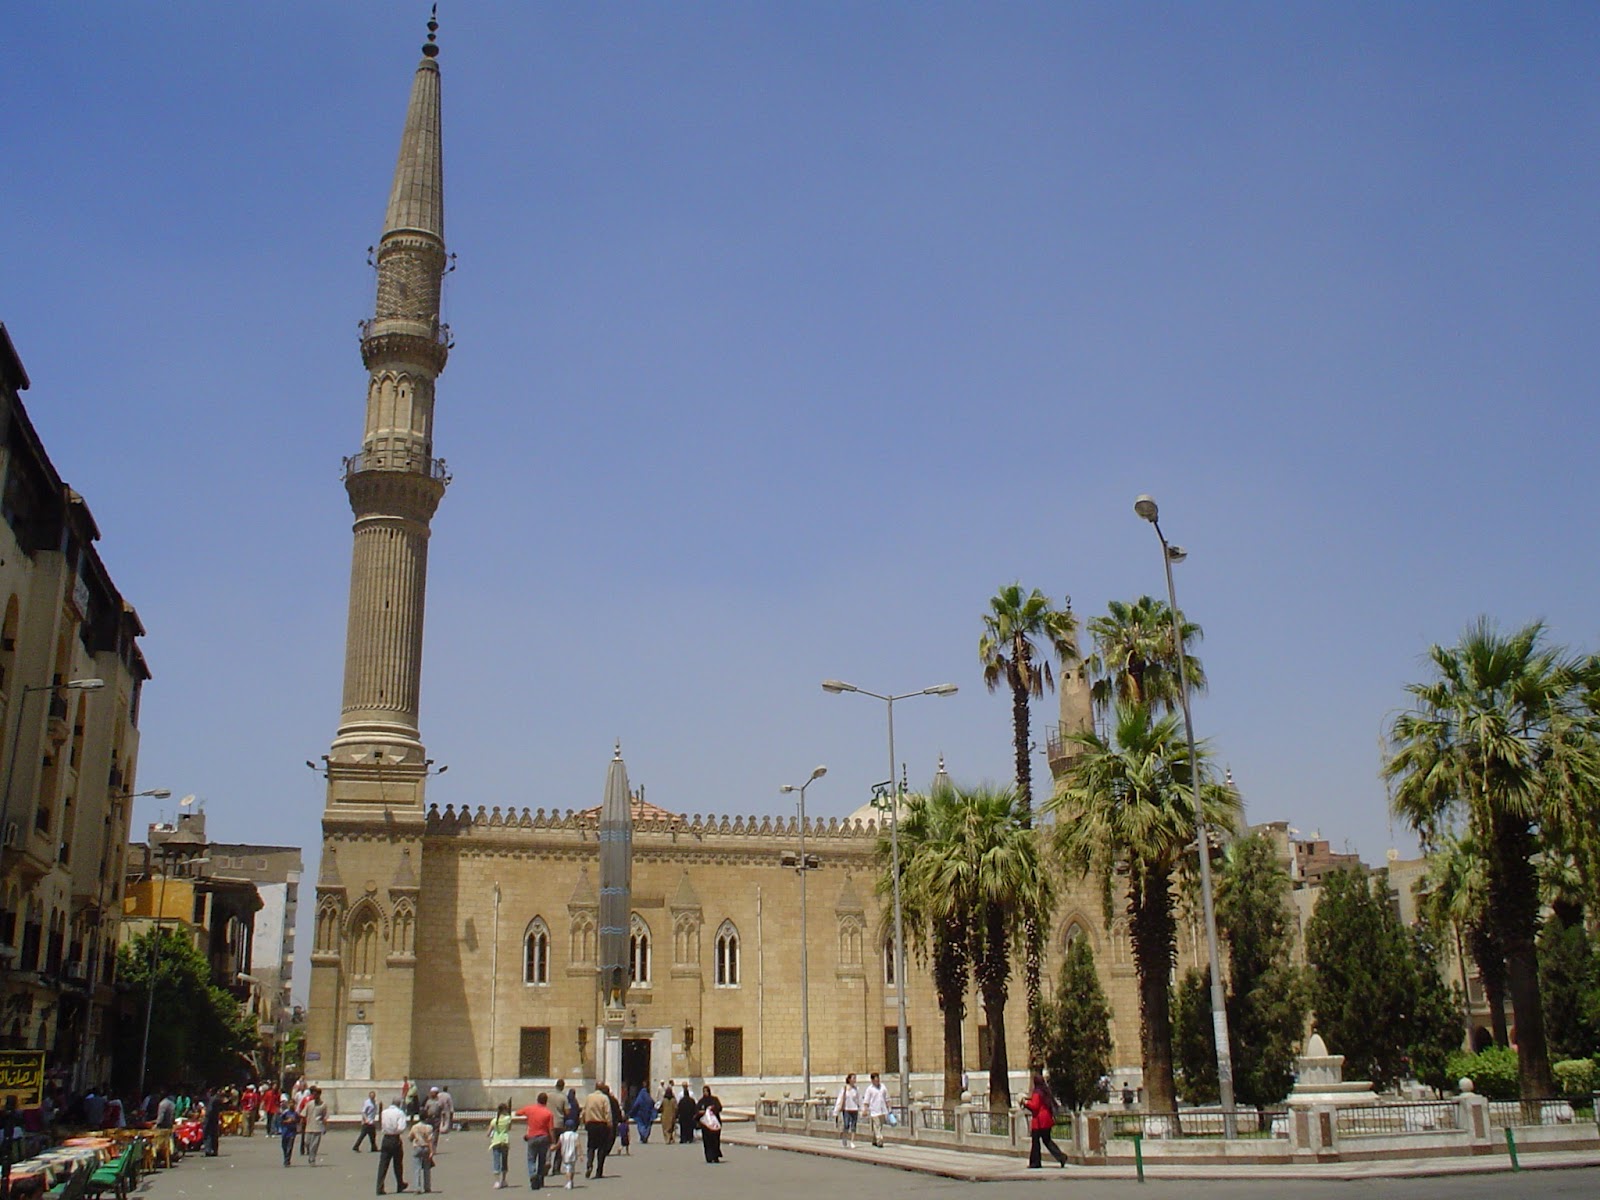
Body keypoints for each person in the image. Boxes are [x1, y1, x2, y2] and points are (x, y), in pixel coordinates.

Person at [1022, 1073, 1068, 1169]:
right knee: (1047, 1140)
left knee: (1035, 1142)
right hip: (1046, 1119)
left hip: (1039, 1121)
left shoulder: (1037, 1093)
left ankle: (1035, 1162)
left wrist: (1025, 1103)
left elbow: (1035, 1106)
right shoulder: (1045, 1091)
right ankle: (1061, 1157)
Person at [516, 1091, 557, 1190]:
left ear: (537, 1100)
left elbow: (517, 1113)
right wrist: (553, 1141)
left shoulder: (530, 1109)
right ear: (546, 1102)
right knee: (542, 1159)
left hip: (532, 1136)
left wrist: (528, 1117)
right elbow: (551, 1129)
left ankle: (532, 1174)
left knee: (531, 1158)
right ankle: (540, 1178)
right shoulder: (548, 1113)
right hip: (544, 1137)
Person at [377, 1095, 409, 1195]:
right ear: (399, 1103)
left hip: (386, 1138)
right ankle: (399, 1184)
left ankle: (379, 1186)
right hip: (395, 1138)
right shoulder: (400, 1113)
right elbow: (401, 1128)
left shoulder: (384, 1112)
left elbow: (382, 1125)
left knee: (383, 1164)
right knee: (398, 1163)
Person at [581, 1083, 614, 1179]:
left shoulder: (589, 1097)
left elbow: (584, 1110)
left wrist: (584, 1121)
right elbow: (607, 1112)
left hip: (590, 1124)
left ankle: (589, 1164)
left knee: (591, 1146)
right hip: (601, 1124)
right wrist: (609, 1124)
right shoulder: (604, 1098)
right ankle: (599, 1170)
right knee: (601, 1148)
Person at [488, 1101, 513, 1189]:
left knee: (496, 1160)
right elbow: (509, 1128)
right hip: (505, 1140)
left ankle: (497, 1181)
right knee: (504, 1160)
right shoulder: (508, 1119)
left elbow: (488, 1133)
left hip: (496, 1141)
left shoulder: (494, 1121)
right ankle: (504, 1180)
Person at [408, 1113, 435, 1194]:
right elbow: (430, 1140)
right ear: (426, 1118)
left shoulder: (415, 1127)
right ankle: (427, 1187)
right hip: (426, 1147)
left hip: (417, 1147)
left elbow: (410, 1137)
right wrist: (432, 1151)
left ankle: (417, 1188)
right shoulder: (429, 1127)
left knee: (417, 1168)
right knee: (427, 1168)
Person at [862, 1071, 890, 1148]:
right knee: (877, 1125)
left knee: (880, 1125)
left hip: (882, 1110)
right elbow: (866, 1100)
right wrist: (865, 1109)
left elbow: (887, 1098)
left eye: (878, 1080)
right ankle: (879, 1140)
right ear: (872, 1080)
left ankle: (874, 1140)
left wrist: (889, 1108)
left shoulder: (883, 1087)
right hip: (874, 1110)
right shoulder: (869, 1089)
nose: (877, 1081)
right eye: (875, 1080)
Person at [833, 1073, 860, 1149]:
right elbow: (840, 1100)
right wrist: (836, 1111)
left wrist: (862, 1109)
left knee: (854, 1126)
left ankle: (852, 1141)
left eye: (855, 1078)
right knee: (846, 1124)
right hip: (846, 1109)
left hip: (854, 1109)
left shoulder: (856, 1089)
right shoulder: (844, 1089)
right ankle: (845, 1138)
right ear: (849, 1079)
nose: (855, 1080)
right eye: (853, 1078)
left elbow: (859, 1099)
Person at [697, 1086, 723, 1164]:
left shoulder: (714, 1100)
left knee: (715, 1141)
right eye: (704, 1091)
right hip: (706, 1126)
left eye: (706, 1091)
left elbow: (719, 1108)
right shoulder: (701, 1101)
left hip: (715, 1125)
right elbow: (697, 1111)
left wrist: (713, 1109)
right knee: (707, 1142)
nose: (705, 1093)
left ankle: (715, 1156)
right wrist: (700, 1113)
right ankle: (709, 1157)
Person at [304, 1087, 328, 1165]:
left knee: (314, 1145)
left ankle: (312, 1159)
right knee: (307, 1142)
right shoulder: (309, 1104)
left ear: (319, 1095)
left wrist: (324, 1127)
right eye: (313, 1094)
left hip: (318, 1127)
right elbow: (304, 1114)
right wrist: (300, 1125)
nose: (314, 1096)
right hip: (309, 1126)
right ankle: (310, 1154)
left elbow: (325, 1117)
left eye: (316, 1095)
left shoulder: (323, 1105)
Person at [278, 1101, 300, 1167]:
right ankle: (285, 1156)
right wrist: (286, 1121)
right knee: (284, 1146)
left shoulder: (295, 1113)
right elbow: (280, 1121)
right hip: (285, 1131)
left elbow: (298, 1120)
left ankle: (287, 1160)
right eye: (290, 1103)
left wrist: (294, 1121)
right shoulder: (285, 1113)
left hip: (292, 1132)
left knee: (290, 1146)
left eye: (293, 1104)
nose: (292, 1105)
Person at [558, 1125, 580, 1190]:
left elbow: (559, 1144)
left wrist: (554, 1147)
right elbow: (578, 1144)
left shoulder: (562, 1135)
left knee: (567, 1168)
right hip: (573, 1154)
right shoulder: (575, 1135)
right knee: (572, 1168)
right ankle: (571, 1181)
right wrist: (580, 1154)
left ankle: (569, 1182)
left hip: (565, 1154)